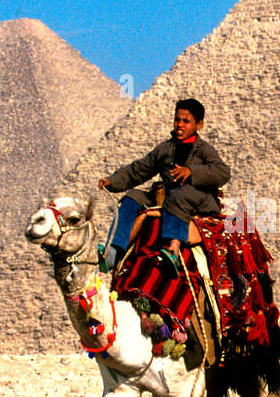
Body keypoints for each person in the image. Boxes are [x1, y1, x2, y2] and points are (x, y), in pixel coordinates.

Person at [98, 97, 230, 270]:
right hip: (169, 194)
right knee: (132, 197)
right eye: (177, 119)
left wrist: (191, 172)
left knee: (179, 195)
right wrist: (112, 181)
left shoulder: (204, 150)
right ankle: (114, 251)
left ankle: (173, 251)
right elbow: (139, 169)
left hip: (200, 198)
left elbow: (223, 172)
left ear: (199, 124)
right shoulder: (166, 148)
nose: (180, 125)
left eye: (186, 121)